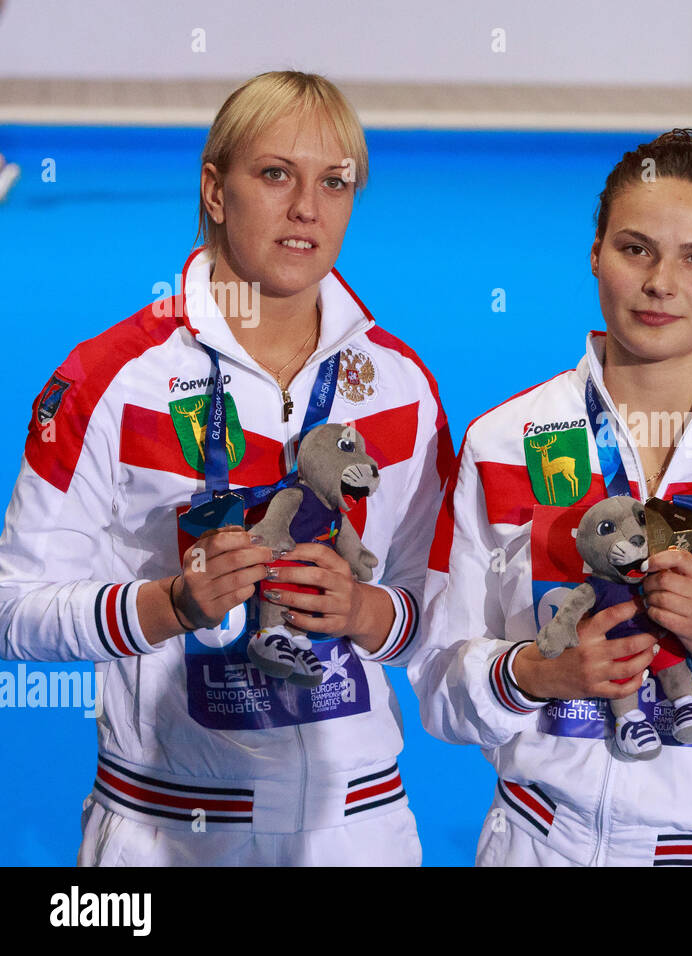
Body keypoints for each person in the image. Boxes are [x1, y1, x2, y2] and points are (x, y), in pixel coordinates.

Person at [0, 71, 454, 865]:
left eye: (335, 182)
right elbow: (13, 609)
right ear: (215, 190)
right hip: (164, 830)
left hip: (359, 830)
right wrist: (165, 605)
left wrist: (366, 612)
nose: (307, 208)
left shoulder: (401, 385)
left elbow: (443, 615)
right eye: (276, 174)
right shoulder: (111, 378)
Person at [411, 129, 692, 866]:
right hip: (537, 844)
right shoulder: (505, 440)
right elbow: (438, 688)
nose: (662, 282)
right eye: (636, 249)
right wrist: (535, 672)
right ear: (595, 253)